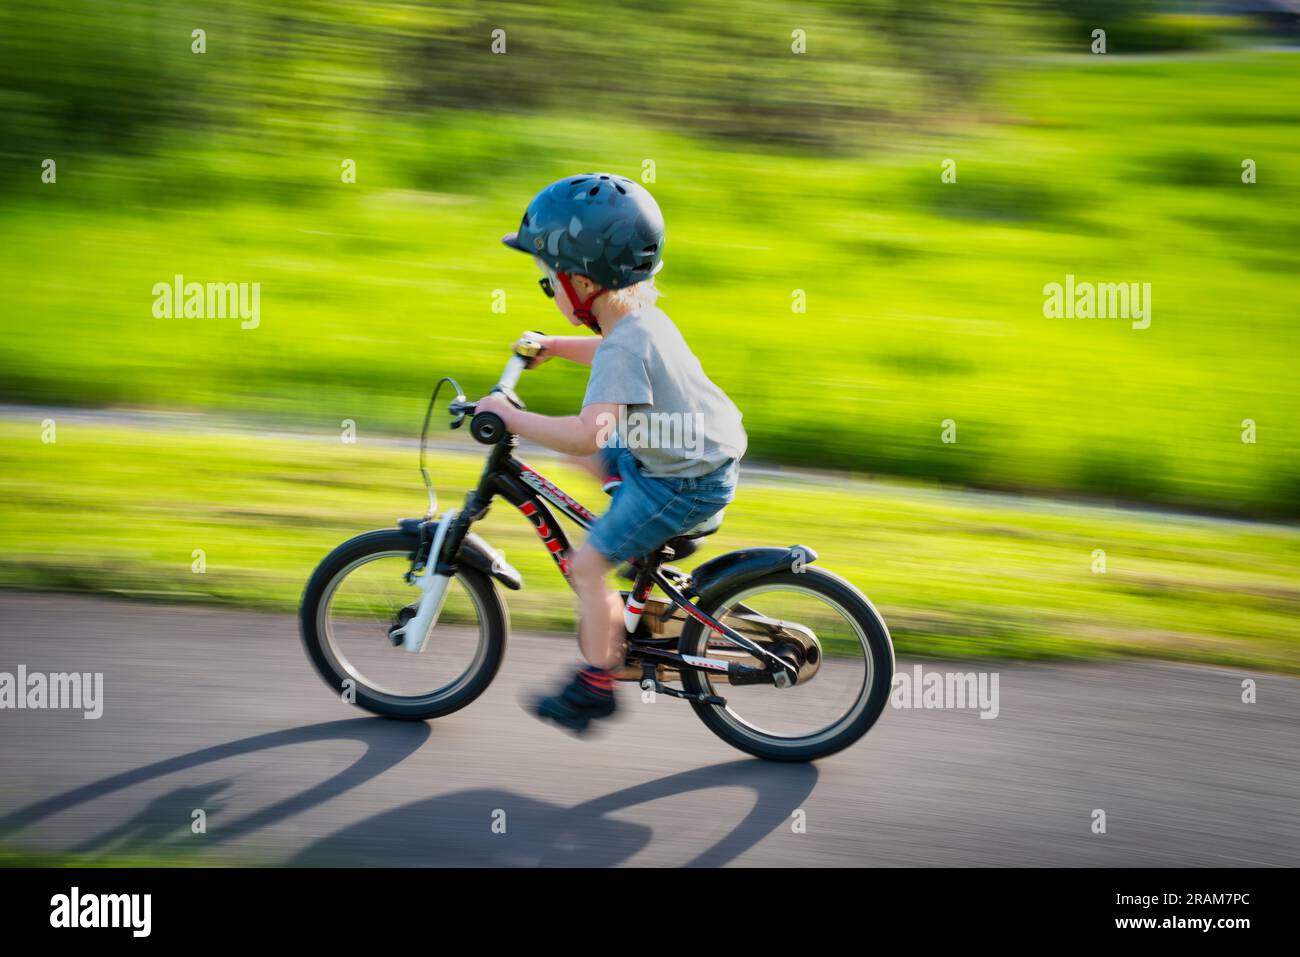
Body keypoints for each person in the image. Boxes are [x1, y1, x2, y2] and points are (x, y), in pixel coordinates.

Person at [477, 172, 747, 734]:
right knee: (588, 461)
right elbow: (609, 356)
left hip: (679, 485)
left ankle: (595, 685)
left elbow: (587, 434)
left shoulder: (625, 346)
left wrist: (510, 417)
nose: (550, 293)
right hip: (686, 457)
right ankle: (629, 518)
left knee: (587, 565)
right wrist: (552, 347)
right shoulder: (638, 323)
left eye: (549, 284)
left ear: (580, 282)